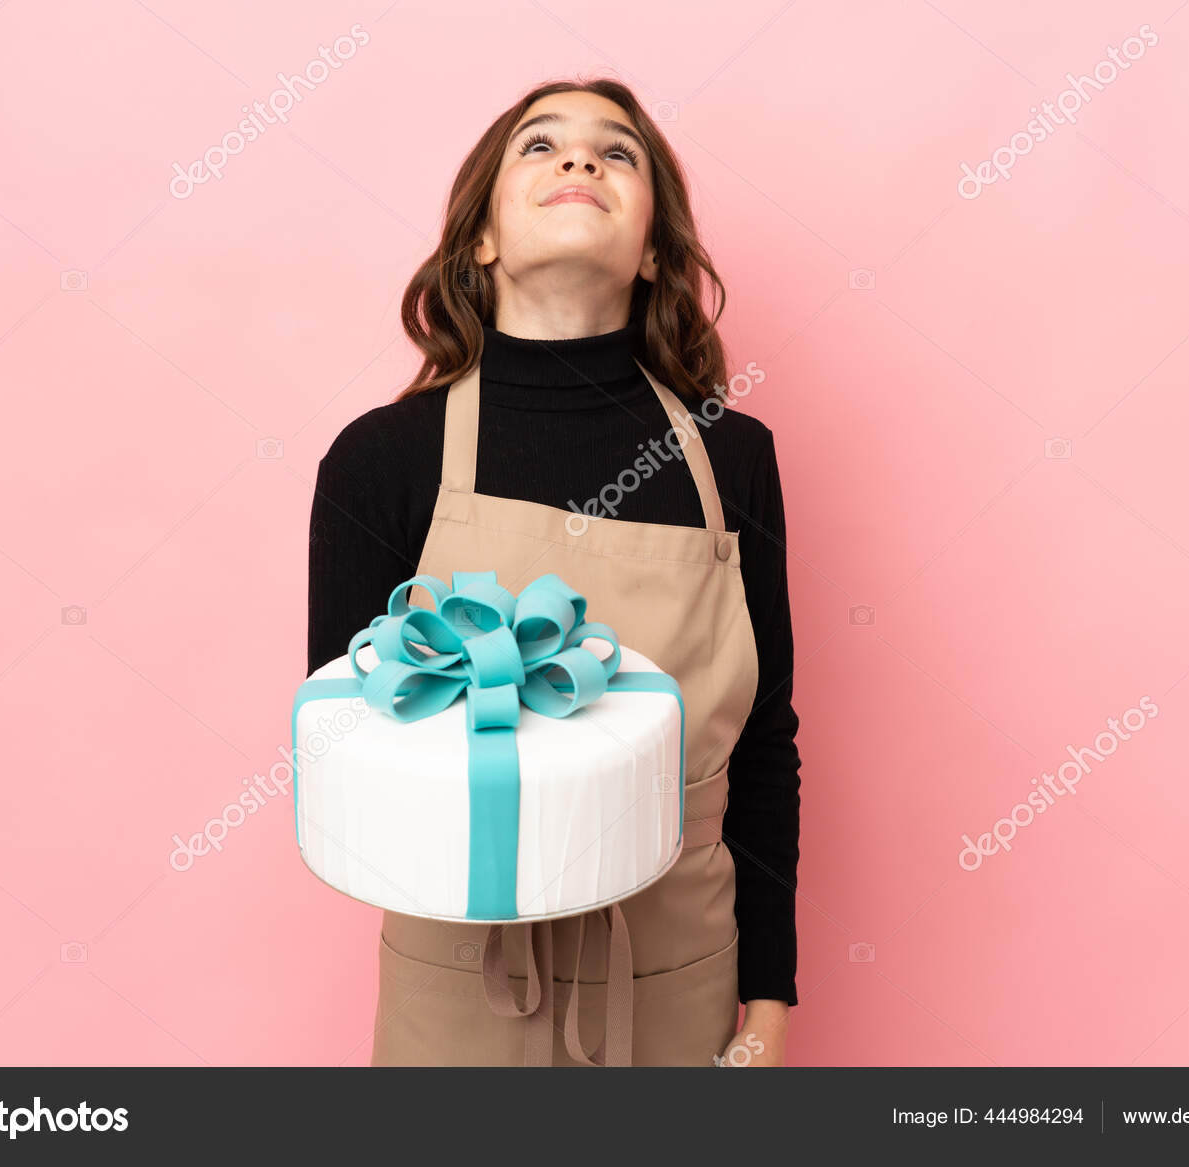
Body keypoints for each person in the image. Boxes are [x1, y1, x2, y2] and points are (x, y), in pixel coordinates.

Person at [308, 78, 801, 1066]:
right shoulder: (380, 460)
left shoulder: (730, 458)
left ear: (654, 249)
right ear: (481, 237)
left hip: (679, 974)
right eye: (539, 146)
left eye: (617, 153)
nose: (579, 161)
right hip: (458, 982)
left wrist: (769, 995)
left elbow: (763, 746)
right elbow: (343, 752)